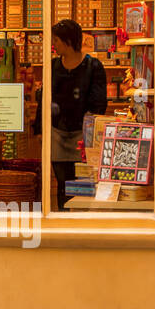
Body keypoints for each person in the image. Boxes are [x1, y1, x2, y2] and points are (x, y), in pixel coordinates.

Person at [36, 19, 108, 209]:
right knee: (62, 184)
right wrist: (39, 129)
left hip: (82, 135)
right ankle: (62, 217)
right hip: (56, 132)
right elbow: (44, 99)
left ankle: (81, 222)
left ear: (68, 41)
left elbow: (99, 101)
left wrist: (92, 132)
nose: (54, 45)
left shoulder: (93, 66)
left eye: (57, 40)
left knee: (83, 184)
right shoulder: (52, 65)